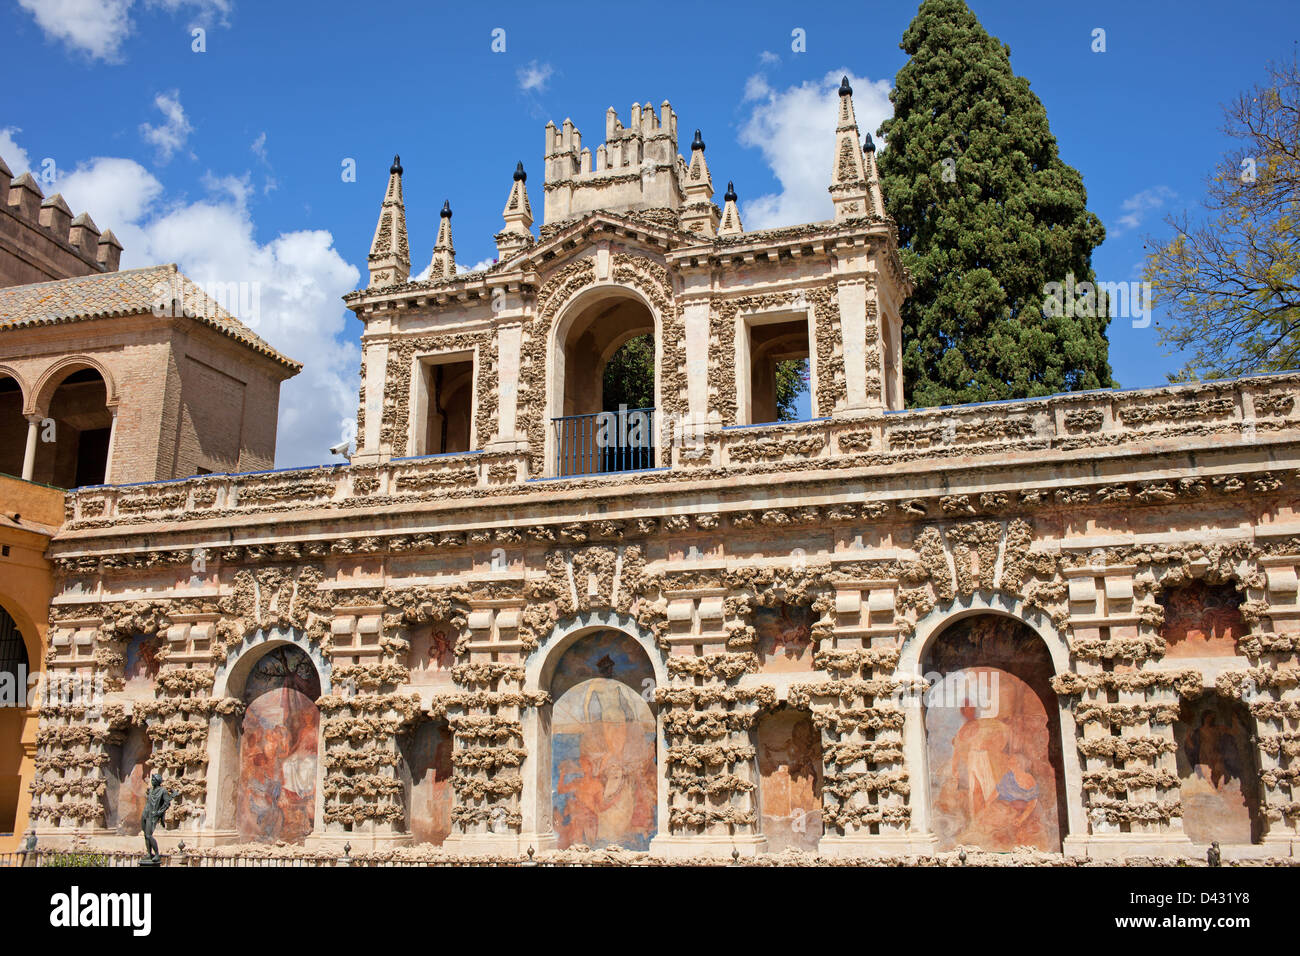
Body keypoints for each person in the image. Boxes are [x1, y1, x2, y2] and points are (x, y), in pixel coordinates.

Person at [140, 772, 173, 863]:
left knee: (149, 835)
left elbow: (167, 803)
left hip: (153, 815)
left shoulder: (163, 791)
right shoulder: (151, 790)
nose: (152, 781)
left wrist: (159, 812)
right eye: (152, 779)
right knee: (145, 835)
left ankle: (157, 854)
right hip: (145, 813)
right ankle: (149, 854)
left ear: (158, 781)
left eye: (154, 779)